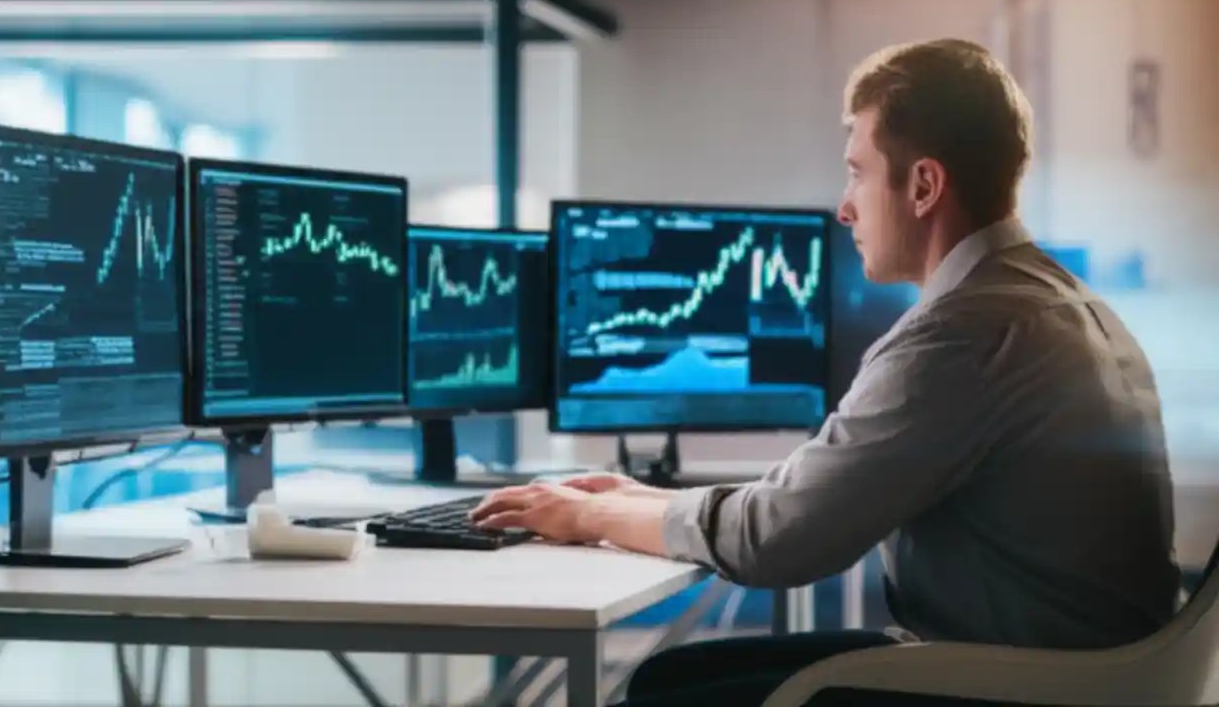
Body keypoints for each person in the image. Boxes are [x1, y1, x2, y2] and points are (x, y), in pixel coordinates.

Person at [472, 37, 1181, 706]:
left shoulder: (960, 335)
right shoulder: (1058, 303)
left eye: (857, 173)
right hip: (1092, 674)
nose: (844, 208)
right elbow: (803, 499)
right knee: (674, 673)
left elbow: (775, 540)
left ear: (924, 185)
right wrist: (643, 501)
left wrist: (590, 514)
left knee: (665, 693)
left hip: (1016, 685)